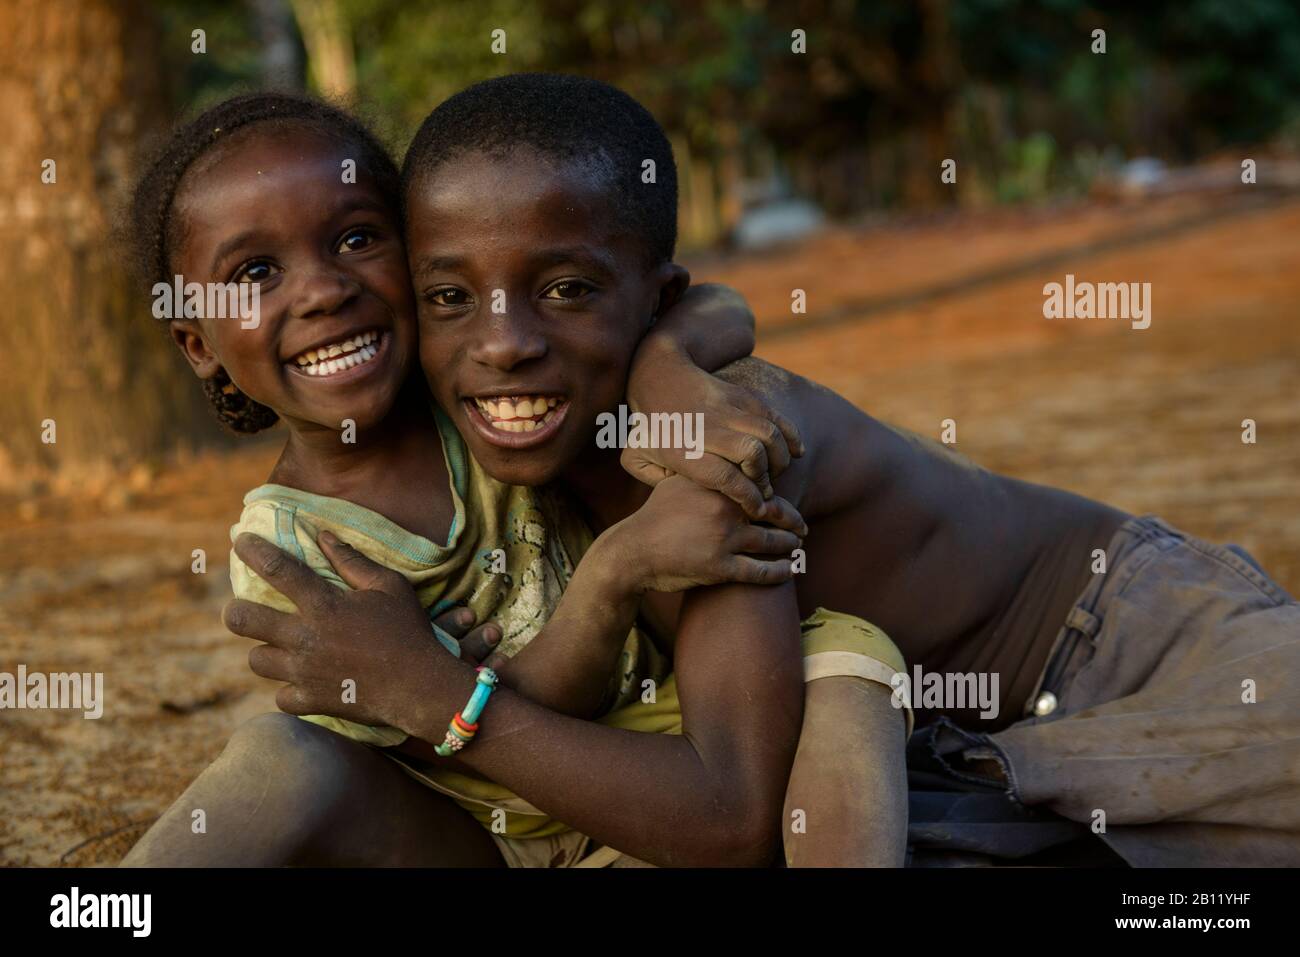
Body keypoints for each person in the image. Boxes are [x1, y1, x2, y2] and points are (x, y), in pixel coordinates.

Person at [227, 73, 1300, 867]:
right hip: (940, 751)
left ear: (650, 297)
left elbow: (727, 812)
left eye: (562, 290)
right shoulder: (484, 425)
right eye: (451, 296)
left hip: (1131, 640)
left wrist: (435, 693)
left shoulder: (711, 457)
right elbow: (693, 307)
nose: (503, 343)